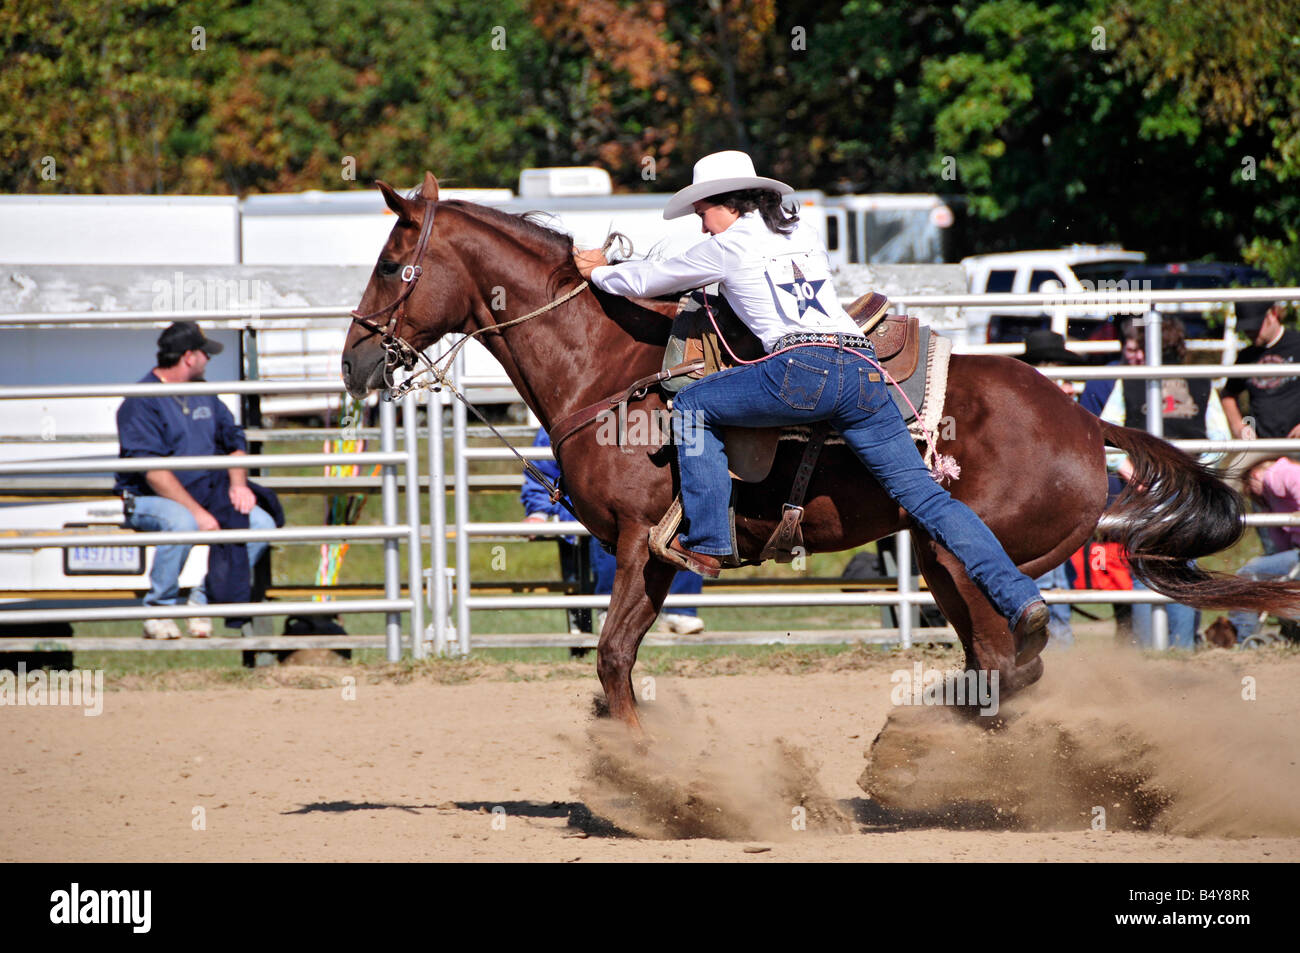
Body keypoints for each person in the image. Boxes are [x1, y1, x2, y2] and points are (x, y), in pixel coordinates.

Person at [573, 150, 1049, 655]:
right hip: (865, 372)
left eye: (702, 212)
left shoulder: (728, 245)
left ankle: (707, 540)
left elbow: (651, 281)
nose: (702, 224)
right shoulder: (798, 233)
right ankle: (1020, 598)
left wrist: (601, 271)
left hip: (800, 370)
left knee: (692, 406)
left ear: (724, 204)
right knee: (928, 499)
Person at [114, 321, 282, 639]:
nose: (209, 360)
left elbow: (233, 439)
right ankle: (159, 611)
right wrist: (197, 512)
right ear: (189, 357)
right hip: (152, 498)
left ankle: (201, 599)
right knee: (183, 523)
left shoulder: (204, 393)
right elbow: (153, 472)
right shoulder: (142, 402)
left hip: (206, 491)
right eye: (206, 354)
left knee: (261, 525)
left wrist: (238, 484)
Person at [1100, 316, 1228, 649]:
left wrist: (1128, 469)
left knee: (1144, 567)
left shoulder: (1130, 382)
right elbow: (1220, 439)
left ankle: (1147, 652)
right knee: (1183, 566)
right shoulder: (1201, 383)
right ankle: (1182, 648)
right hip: (1186, 489)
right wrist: (1196, 474)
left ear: (1144, 347)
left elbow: (1107, 434)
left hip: (1146, 487)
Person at [521, 429, 705, 637]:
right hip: (602, 508)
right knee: (609, 527)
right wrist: (538, 510)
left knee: (684, 519)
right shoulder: (578, 410)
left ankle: (680, 609)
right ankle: (610, 610)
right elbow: (543, 468)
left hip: (651, 501)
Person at [1016, 330, 1087, 649]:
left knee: (1053, 582)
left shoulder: (1043, 407)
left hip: (1049, 507)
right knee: (1046, 582)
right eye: (1053, 366)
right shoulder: (1032, 409)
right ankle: (1057, 650)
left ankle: (1056, 651)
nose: (1068, 386)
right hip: (1036, 509)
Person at [1228, 452, 1300, 644]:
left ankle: (1247, 640)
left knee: (1249, 572)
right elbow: (1279, 539)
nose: (1248, 491)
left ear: (1255, 474)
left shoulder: (1279, 474)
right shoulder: (1272, 498)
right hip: (1296, 552)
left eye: (1247, 484)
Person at [1221, 300, 1300, 446]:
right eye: (1246, 328)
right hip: (1262, 447)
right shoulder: (1246, 356)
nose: (1250, 333)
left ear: (1273, 314)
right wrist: (1239, 428)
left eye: (1255, 326)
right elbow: (1228, 394)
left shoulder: (1297, 344)